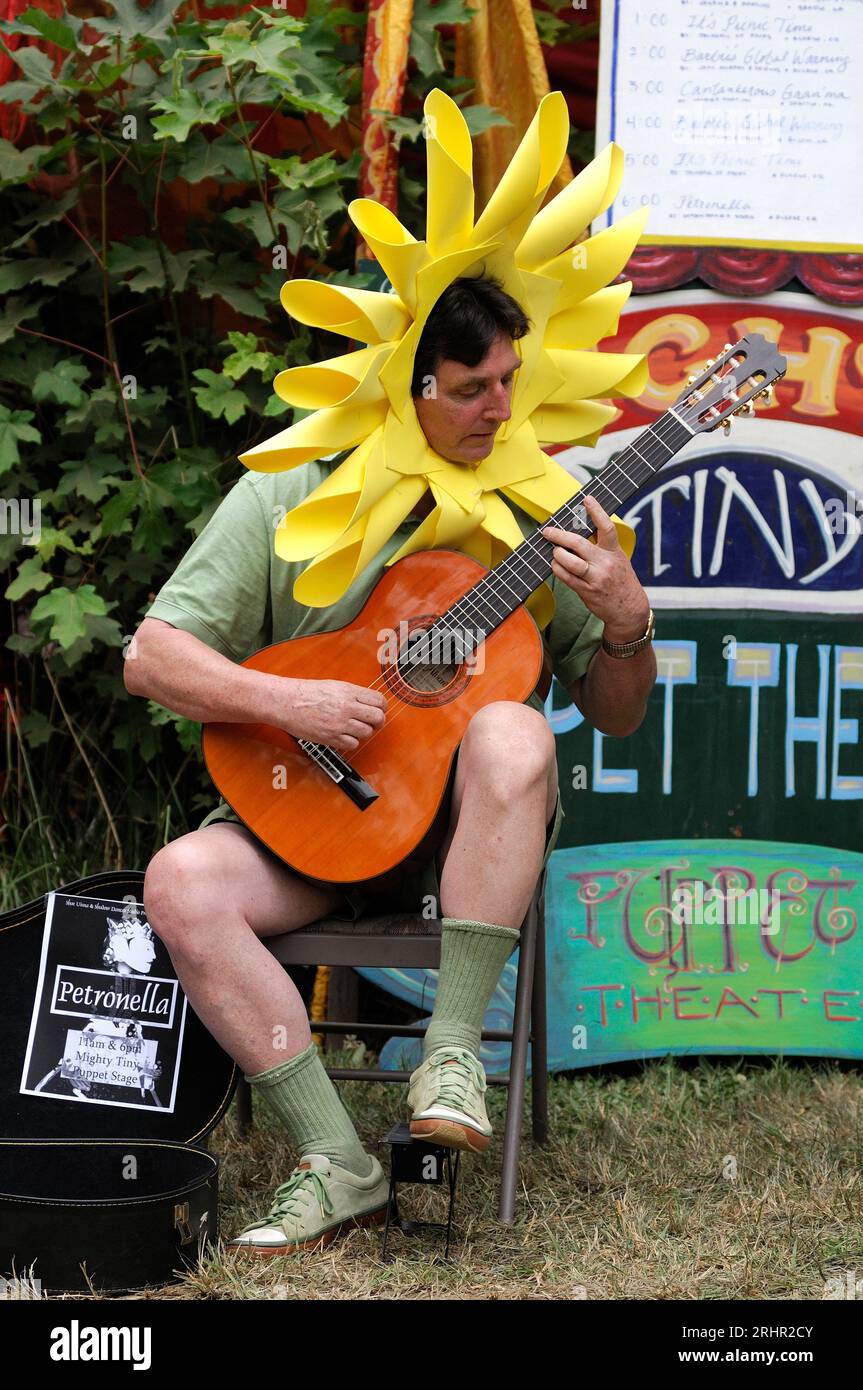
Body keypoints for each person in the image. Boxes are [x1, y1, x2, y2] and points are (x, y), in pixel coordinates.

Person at [125, 274, 656, 1256]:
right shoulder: (297, 490)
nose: (497, 407)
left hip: (464, 841)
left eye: (507, 379)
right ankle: (339, 1163)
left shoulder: (538, 510)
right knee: (180, 883)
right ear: (405, 388)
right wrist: (288, 701)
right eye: (468, 387)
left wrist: (628, 624)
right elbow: (151, 655)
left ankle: (449, 1056)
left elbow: (616, 716)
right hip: (320, 821)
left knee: (514, 732)